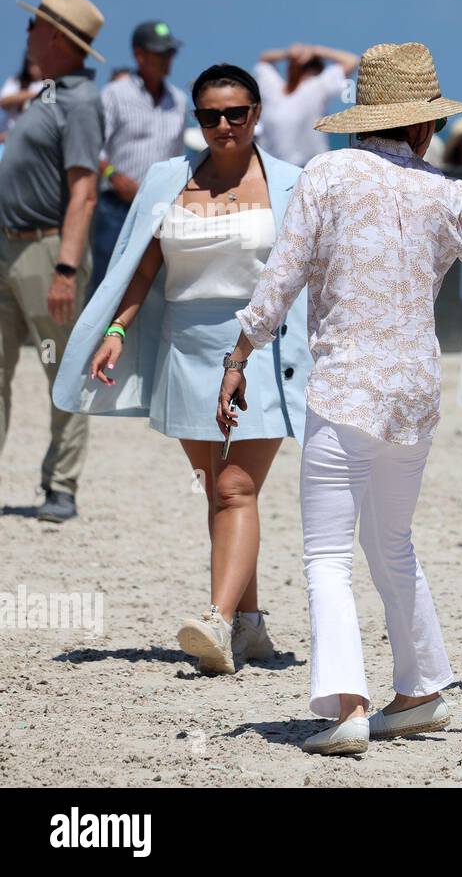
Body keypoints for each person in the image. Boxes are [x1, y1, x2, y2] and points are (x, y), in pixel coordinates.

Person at [217, 42, 462, 756]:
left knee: (328, 555)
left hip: (344, 390)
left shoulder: (325, 177)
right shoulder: (447, 194)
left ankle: (347, 705)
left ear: (367, 118)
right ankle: (419, 689)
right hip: (414, 397)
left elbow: (280, 280)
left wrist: (239, 355)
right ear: (425, 126)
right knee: (392, 542)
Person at [55, 63, 309, 673]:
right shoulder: (169, 179)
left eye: (236, 113)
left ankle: (217, 624)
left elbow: (307, 274)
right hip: (186, 345)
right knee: (217, 492)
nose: (223, 124)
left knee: (235, 487)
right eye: (209, 115)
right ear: (195, 119)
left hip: (262, 348)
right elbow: (144, 266)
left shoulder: (294, 184)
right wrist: (117, 329)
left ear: (256, 115)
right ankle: (249, 626)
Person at [0, 0, 105, 523]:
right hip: (8, 247)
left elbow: (85, 190)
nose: (26, 33)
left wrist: (65, 268)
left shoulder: (81, 102)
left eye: (34, 24)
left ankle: (60, 487)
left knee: (61, 372)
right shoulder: (49, 93)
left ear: (57, 36)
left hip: (47, 251)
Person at [89, 21, 188, 300]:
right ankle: (98, 343)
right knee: (106, 286)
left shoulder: (179, 101)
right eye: (161, 53)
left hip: (162, 210)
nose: (167, 60)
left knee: (158, 289)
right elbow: (92, 146)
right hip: (116, 209)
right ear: (139, 54)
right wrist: (113, 175)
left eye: (170, 53)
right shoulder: (114, 95)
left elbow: (180, 158)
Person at [253, 43, 358, 167]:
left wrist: (293, 54)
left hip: (299, 169)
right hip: (284, 170)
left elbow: (263, 61)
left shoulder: (314, 87)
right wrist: (309, 52)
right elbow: (352, 61)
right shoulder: (275, 89)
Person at [0, 53, 43, 145]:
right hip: (5, 140)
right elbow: (3, 102)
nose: (31, 67)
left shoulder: (50, 83)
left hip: (30, 142)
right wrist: (33, 94)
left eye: (35, 63)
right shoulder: (16, 80)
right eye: (30, 62)